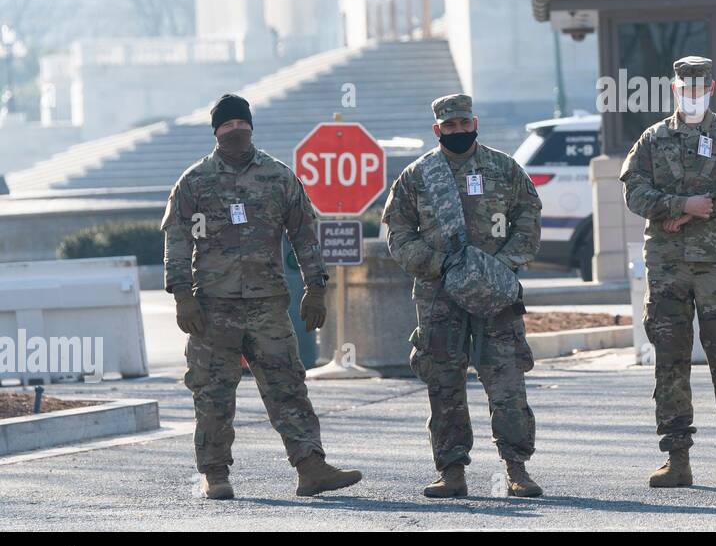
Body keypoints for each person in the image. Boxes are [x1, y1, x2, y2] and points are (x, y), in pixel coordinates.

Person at [161, 93, 362, 500]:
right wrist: (182, 295)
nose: (236, 130)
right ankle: (215, 474)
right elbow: (177, 241)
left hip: (267, 305)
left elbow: (304, 234)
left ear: (251, 127)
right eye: (227, 125)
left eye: (242, 124)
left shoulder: (278, 176)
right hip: (213, 309)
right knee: (213, 393)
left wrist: (316, 287)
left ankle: (311, 467)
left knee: (288, 387)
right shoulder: (195, 181)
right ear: (216, 131)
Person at [620, 55, 716, 490]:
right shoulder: (653, 139)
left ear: (711, 89)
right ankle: (676, 460)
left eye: (699, 89)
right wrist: (678, 205)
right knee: (670, 361)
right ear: (674, 90)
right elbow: (634, 191)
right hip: (668, 267)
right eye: (685, 89)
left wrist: (695, 209)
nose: (692, 95)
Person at [382, 93, 544, 498]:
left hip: (496, 294)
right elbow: (399, 235)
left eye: (464, 123)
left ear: (475, 123)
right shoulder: (418, 175)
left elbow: (528, 218)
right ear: (437, 129)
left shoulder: (504, 169)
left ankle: (517, 469)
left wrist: (501, 266)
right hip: (439, 296)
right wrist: (439, 265)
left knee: (507, 381)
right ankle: (451, 471)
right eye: (449, 126)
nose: (458, 130)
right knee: (444, 385)